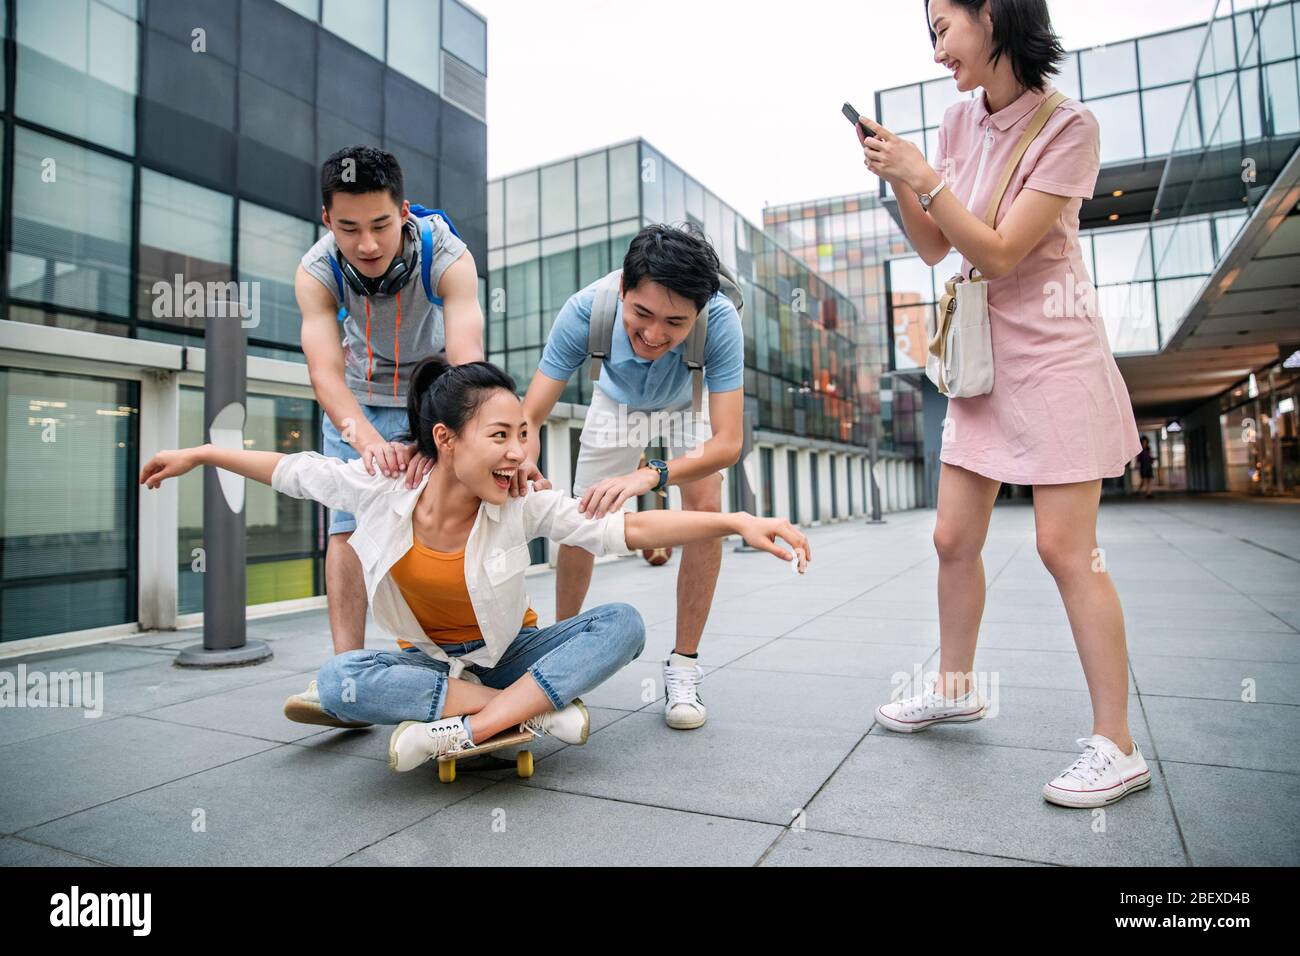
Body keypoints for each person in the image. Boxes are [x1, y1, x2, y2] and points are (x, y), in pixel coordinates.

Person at [139, 359, 809, 772]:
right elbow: (293, 471)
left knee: (623, 623)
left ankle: (471, 725)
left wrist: (736, 521)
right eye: (501, 436)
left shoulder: (522, 501)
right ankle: (533, 713)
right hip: (431, 661)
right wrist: (201, 454)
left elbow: (625, 527)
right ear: (445, 440)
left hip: (509, 650)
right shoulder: (382, 493)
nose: (520, 452)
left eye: (523, 433)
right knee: (339, 681)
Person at [861, 0, 1147, 808]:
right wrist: (898, 183)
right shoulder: (956, 121)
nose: (938, 50)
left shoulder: (1070, 126)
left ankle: (1116, 743)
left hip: (1056, 358)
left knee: (1067, 550)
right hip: (984, 360)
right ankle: (955, 685)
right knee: (953, 534)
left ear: (993, 14)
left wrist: (924, 175)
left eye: (944, 28)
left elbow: (1001, 249)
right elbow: (935, 246)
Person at [510, 224, 746, 730]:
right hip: (616, 402)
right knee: (582, 516)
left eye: (675, 322)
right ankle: (559, 660)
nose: (655, 335)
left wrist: (652, 476)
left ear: (699, 313)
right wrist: (521, 455)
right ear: (623, 290)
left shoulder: (721, 322)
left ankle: (684, 666)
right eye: (642, 314)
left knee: (705, 515)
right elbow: (528, 416)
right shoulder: (585, 310)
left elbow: (728, 443)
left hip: (688, 400)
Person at [284, 145, 485, 726]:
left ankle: (461, 663)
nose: (367, 244)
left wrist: (431, 437)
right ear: (328, 220)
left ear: (402, 212)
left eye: (379, 225)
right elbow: (324, 372)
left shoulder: (448, 258)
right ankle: (347, 680)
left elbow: (466, 364)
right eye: (349, 228)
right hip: (357, 399)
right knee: (346, 528)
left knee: (446, 523)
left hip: (435, 392)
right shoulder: (315, 272)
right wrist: (367, 439)